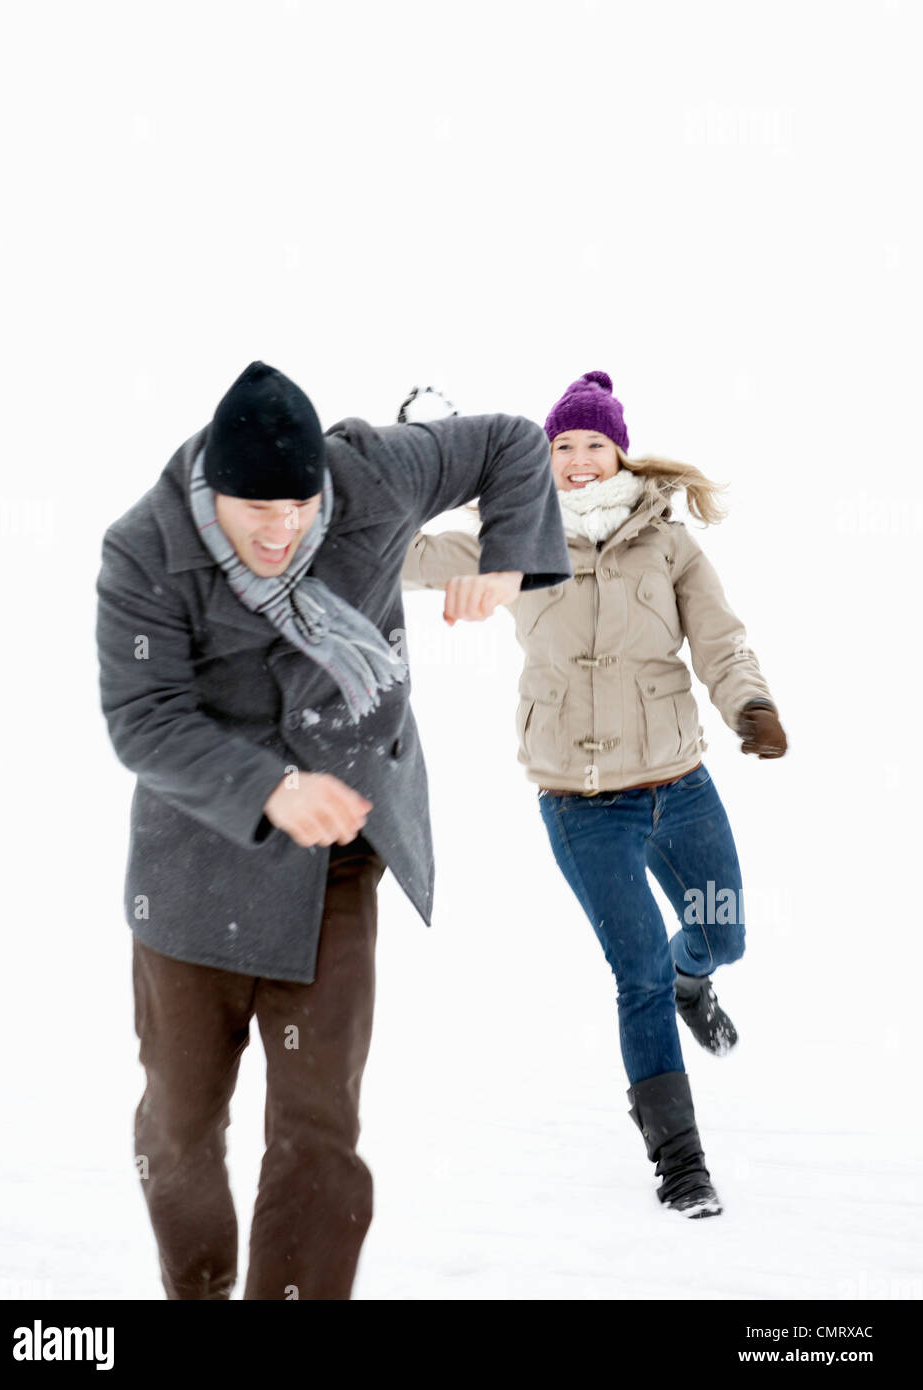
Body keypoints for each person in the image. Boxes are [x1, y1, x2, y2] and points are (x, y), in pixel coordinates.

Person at [95, 360, 572, 1299]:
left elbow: (511, 439)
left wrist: (508, 550)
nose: (283, 531)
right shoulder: (144, 549)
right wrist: (268, 787)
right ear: (210, 492)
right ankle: (196, 1288)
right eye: (256, 512)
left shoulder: (373, 475)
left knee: (319, 1126)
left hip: (335, 856)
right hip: (196, 860)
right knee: (181, 1125)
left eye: (301, 508)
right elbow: (143, 719)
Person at [401, 370, 788, 1218]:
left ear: (618, 450)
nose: (577, 462)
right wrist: (429, 457)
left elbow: (721, 642)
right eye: (562, 447)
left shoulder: (670, 544)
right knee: (637, 969)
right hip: (580, 803)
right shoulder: (511, 534)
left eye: (592, 445)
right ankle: (680, 1161)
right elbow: (401, 554)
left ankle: (700, 983)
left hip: (681, 785)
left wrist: (750, 706)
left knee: (722, 936)